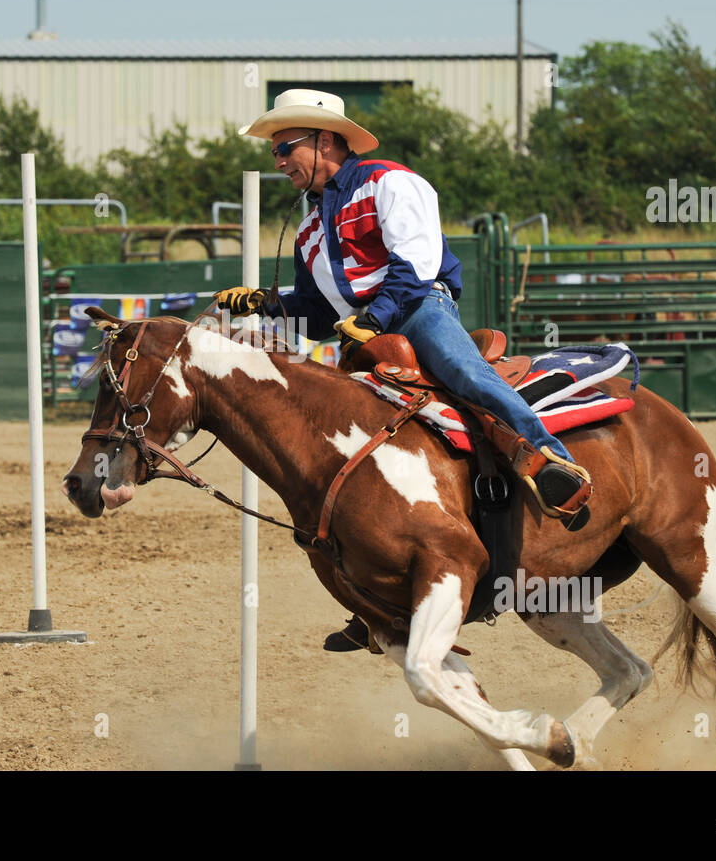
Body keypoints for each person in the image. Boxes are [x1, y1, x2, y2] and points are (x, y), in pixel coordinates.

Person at [213, 89, 593, 651]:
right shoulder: (310, 226)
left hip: (417, 311)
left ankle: (549, 461)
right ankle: (371, 589)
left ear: (324, 141)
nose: (278, 162)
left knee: (464, 375)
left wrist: (372, 319)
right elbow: (320, 311)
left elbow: (414, 267)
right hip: (364, 334)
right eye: (275, 152)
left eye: (285, 148)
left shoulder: (391, 182)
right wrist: (269, 304)